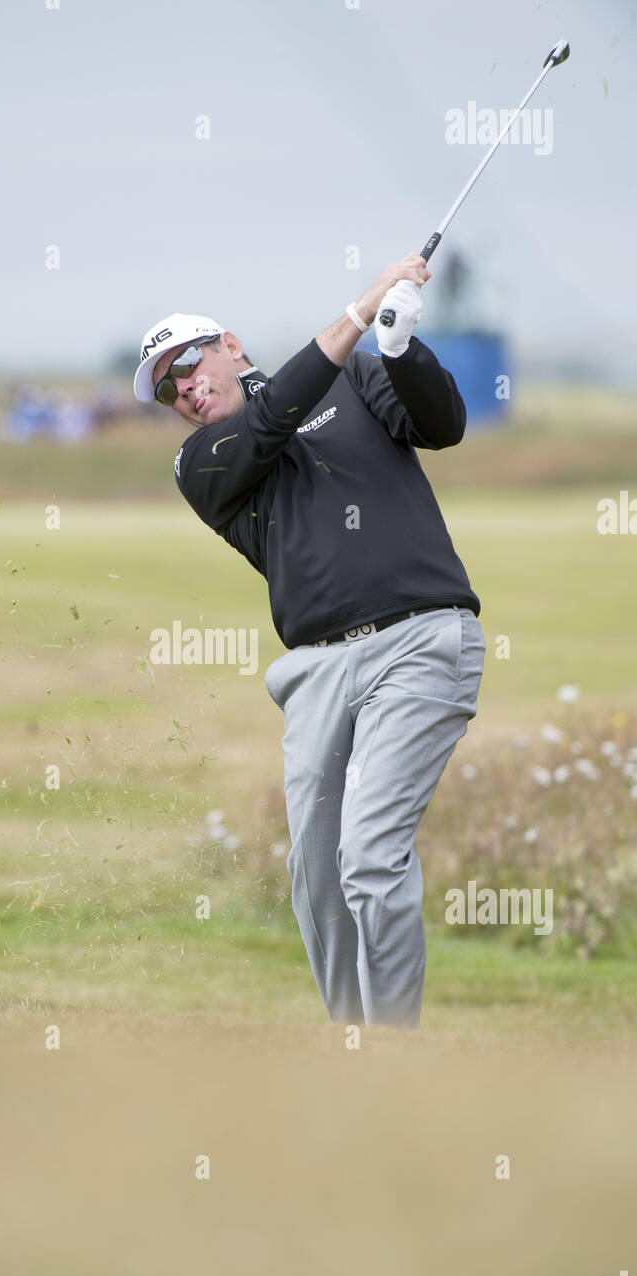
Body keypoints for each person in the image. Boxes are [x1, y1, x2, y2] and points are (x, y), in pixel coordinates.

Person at [132, 254, 484, 1027]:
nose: (183, 389)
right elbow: (272, 417)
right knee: (317, 878)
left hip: (420, 642)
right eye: (166, 388)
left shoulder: (354, 378)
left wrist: (399, 351)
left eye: (186, 365)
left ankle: (390, 1063)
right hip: (317, 672)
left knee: (367, 858)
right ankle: (351, 1051)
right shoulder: (202, 462)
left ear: (229, 344)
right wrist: (358, 311)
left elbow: (443, 426)